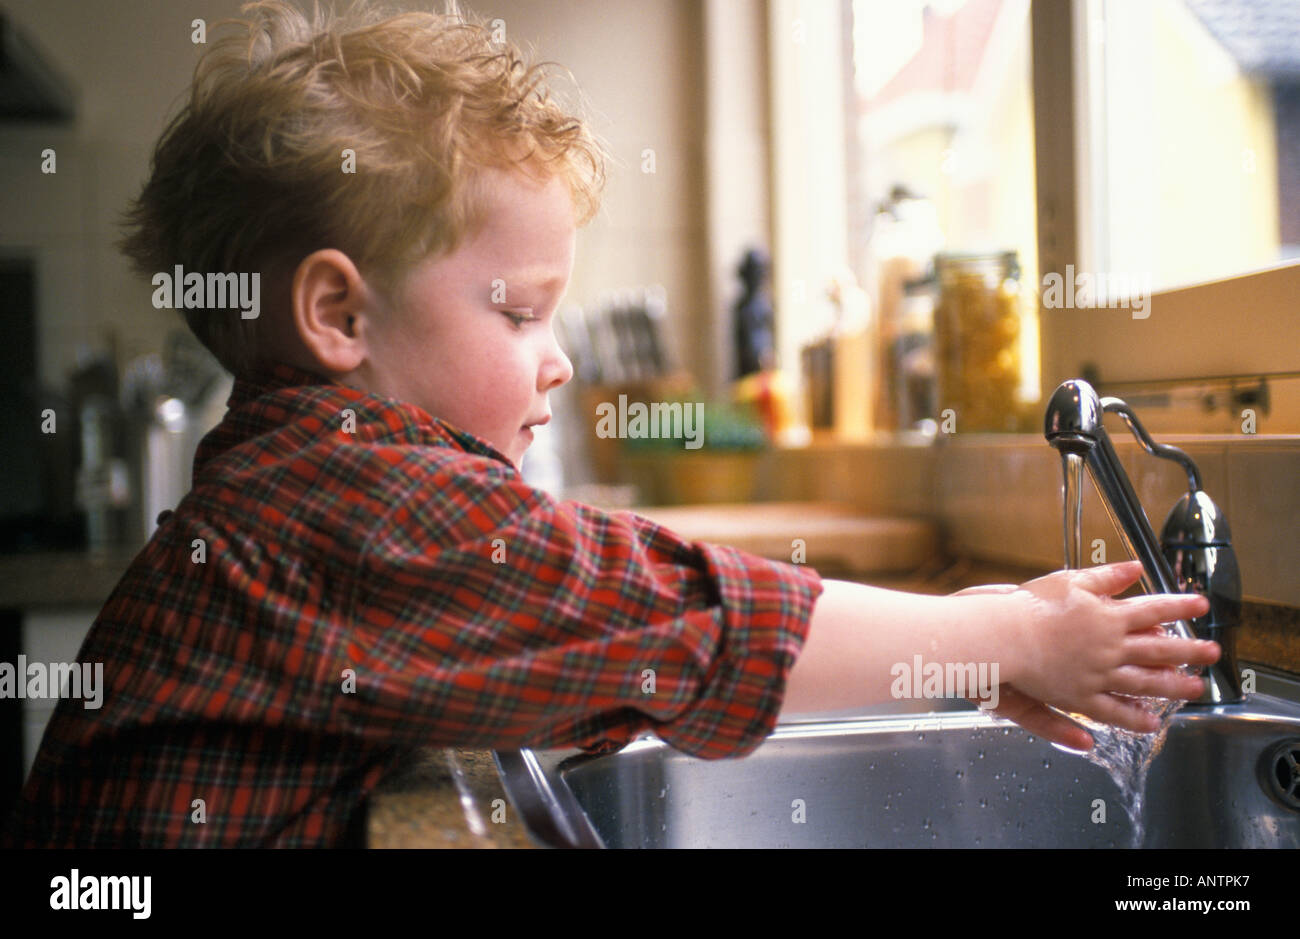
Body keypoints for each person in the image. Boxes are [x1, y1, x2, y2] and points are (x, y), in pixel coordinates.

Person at [2, 1, 1216, 848]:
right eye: (520, 313)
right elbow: (663, 615)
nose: (560, 359)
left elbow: (586, 648)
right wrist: (1009, 633)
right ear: (337, 313)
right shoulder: (356, 492)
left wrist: (952, 643)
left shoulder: (298, 476)